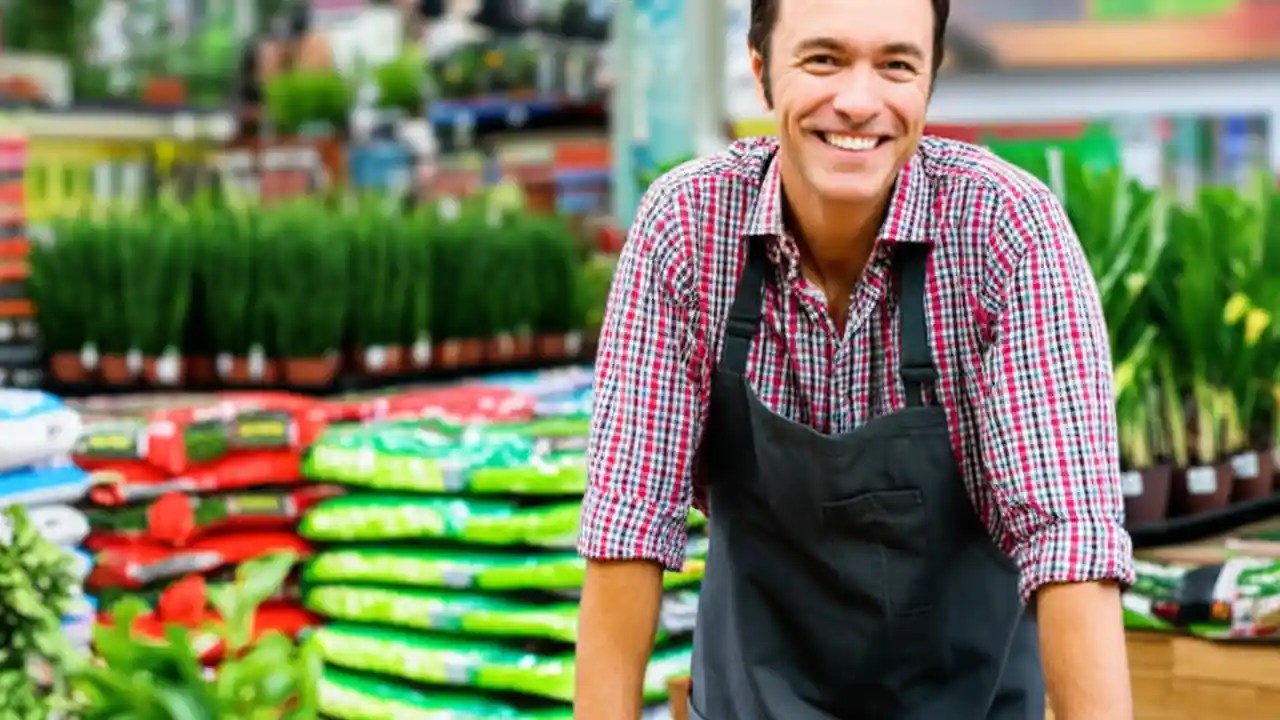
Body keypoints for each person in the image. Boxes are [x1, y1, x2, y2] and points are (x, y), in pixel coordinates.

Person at [573, 0, 1136, 718]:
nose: (859, 102)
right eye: (824, 59)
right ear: (761, 70)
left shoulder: (1004, 231)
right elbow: (628, 525)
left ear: (930, 80)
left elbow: (1070, 539)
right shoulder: (687, 228)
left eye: (896, 65)